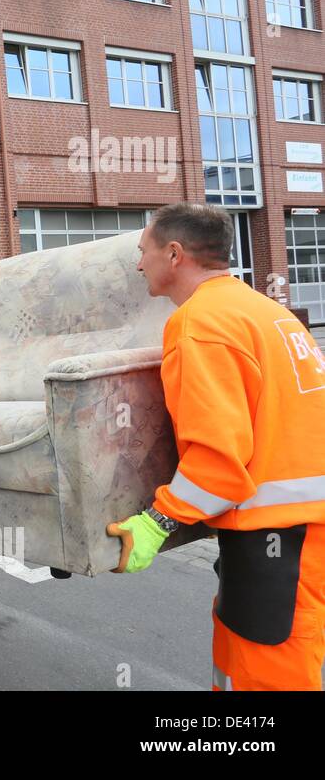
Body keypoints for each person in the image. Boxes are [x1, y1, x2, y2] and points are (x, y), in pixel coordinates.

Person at [111, 202, 325, 691]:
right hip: (298, 531)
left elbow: (218, 459)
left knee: (266, 678)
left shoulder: (199, 325)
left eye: (142, 251)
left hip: (277, 537)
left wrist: (156, 524)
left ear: (174, 254)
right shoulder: (265, 311)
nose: (139, 263)